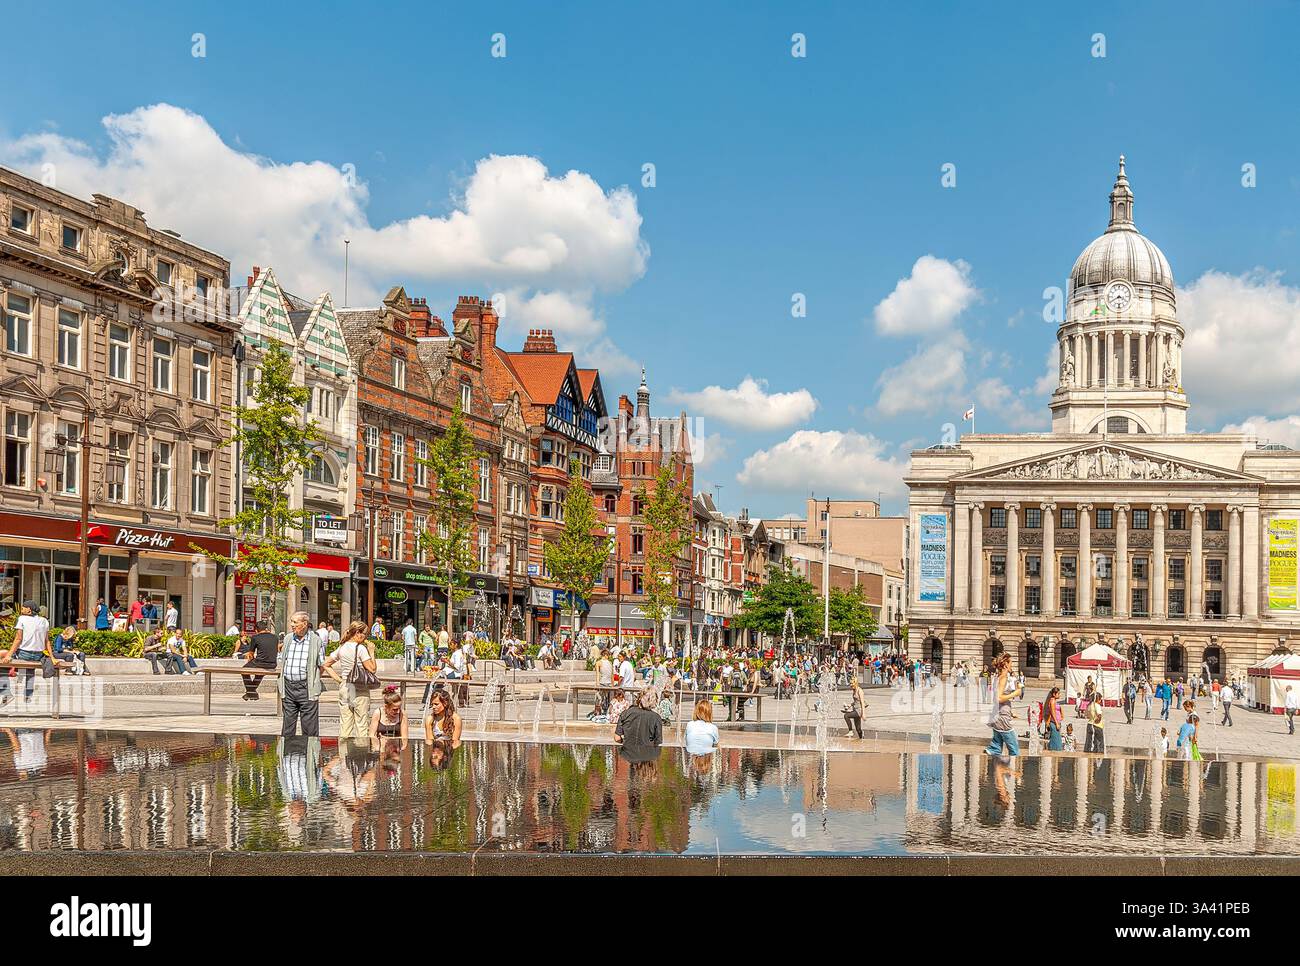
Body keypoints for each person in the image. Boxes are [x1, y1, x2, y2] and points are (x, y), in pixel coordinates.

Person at [324, 621, 377, 739]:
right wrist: (372, 652)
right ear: (357, 633)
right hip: (359, 688)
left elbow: (326, 664)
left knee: (345, 724)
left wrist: (340, 680)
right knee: (361, 724)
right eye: (365, 634)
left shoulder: (342, 647)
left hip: (346, 686)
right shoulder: (361, 649)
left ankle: (343, 749)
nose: (365, 637)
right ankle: (361, 749)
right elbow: (372, 669)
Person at [278, 611, 326, 737]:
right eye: (291, 622)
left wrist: (313, 680)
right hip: (288, 687)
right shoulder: (288, 638)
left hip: (306, 687)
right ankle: (287, 749)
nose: (292, 625)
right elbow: (283, 660)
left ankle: (310, 749)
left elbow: (321, 665)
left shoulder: (316, 641)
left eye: (295, 622)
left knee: (309, 727)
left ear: (305, 624)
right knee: (287, 726)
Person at [7, 600, 52, 701]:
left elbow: (18, 639)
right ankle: (28, 694)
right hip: (38, 655)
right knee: (30, 669)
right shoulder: (44, 621)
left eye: (23, 608)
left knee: (4, 658)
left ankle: (5, 691)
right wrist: (52, 657)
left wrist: (9, 655)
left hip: (24, 654)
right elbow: (47, 641)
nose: (21, 609)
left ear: (29, 609)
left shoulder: (22, 619)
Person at [985, 652, 1022, 757]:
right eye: (1011, 663)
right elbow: (998, 698)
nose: (1012, 665)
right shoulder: (1003, 678)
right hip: (1002, 718)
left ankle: (995, 766)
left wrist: (1010, 712)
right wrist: (1015, 693)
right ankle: (1012, 768)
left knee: (995, 748)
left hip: (998, 715)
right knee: (1014, 751)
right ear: (1005, 664)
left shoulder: (998, 677)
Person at [238, 619, 279, 700]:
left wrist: (250, 661)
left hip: (260, 663)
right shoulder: (275, 637)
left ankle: (251, 692)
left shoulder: (255, 637)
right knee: (259, 673)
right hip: (273, 664)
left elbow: (251, 654)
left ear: (256, 630)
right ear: (266, 628)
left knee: (244, 670)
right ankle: (251, 693)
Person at [615, 686, 664, 753]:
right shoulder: (656, 718)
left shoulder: (625, 713)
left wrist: (625, 742)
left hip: (628, 753)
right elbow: (658, 741)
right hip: (646, 754)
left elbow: (617, 738)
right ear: (654, 700)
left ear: (639, 697)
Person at [1043, 686, 1064, 751]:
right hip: (1054, 723)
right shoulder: (1052, 701)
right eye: (1058, 693)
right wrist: (1056, 723)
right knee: (1056, 742)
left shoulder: (1054, 701)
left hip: (1056, 722)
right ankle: (1052, 753)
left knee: (1056, 741)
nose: (1059, 695)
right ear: (1054, 694)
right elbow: (1053, 713)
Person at [1087, 688, 1106, 754]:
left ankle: (1088, 753)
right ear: (1098, 699)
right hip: (1097, 726)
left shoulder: (1089, 705)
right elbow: (1099, 714)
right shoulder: (1097, 706)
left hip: (1090, 724)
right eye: (1100, 699)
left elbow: (1086, 715)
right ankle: (1099, 755)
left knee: (1089, 741)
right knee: (1099, 742)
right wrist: (1098, 720)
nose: (1100, 701)